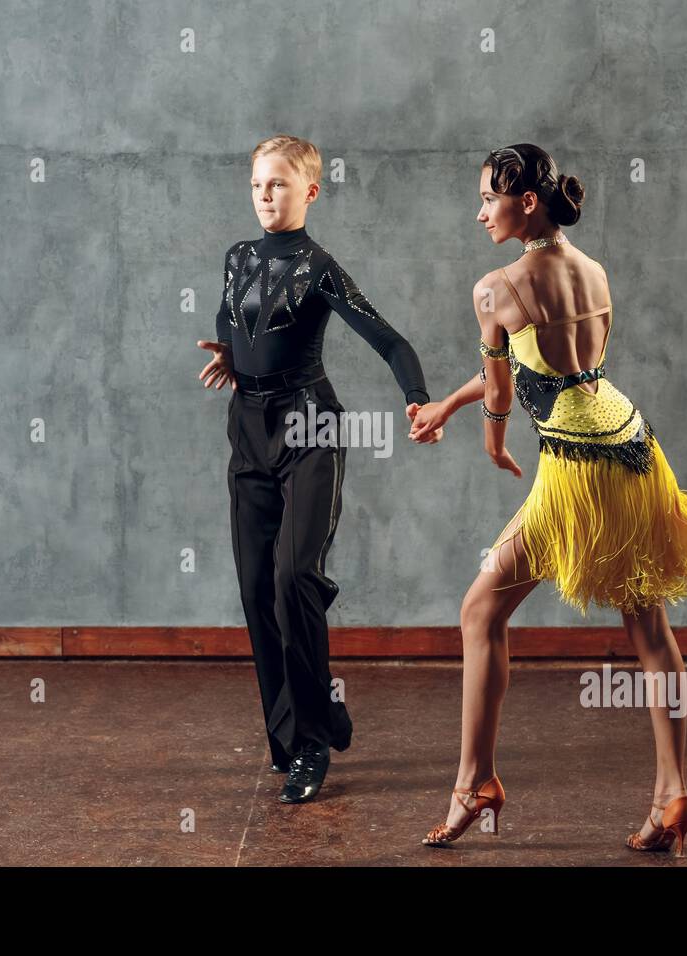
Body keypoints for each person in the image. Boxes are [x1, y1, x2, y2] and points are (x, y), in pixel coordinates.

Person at [409, 144, 687, 854]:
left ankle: (476, 783)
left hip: (576, 468)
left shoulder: (495, 286)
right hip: (635, 447)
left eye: (489, 198)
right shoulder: (594, 271)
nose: (479, 212)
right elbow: (554, 368)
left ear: (526, 200)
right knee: (649, 632)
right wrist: (450, 406)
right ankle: (672, 794)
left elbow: (508, 390)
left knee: (479, 612)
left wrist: (492, 440)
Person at [196, 135, 440, 804]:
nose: (265, 196)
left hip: (310, 428)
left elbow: (389, 339)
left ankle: (312, 745)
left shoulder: (318, 265)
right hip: (249, 429)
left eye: (278, 184)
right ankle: (309, 719)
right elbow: (231, 313)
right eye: (256, 185)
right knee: (255, 589)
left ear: (309, 191)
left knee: (293, 576)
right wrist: (228, 350)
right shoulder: (238, 257)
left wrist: (418, 398)